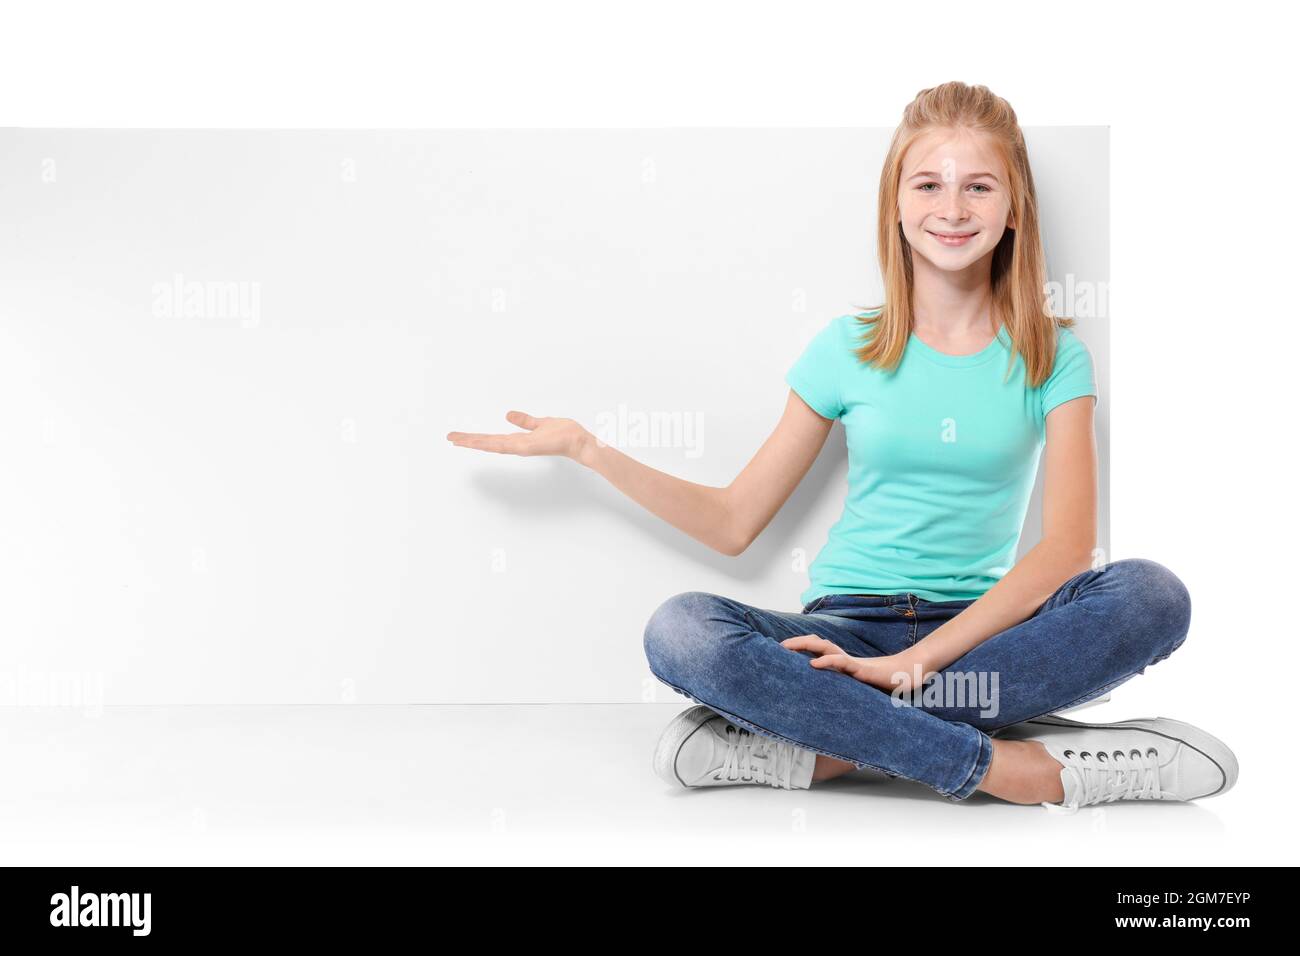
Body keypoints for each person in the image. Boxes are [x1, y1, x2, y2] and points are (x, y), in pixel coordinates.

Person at [446, 81, 1238, 811]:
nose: (953, 207)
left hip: (981, 642)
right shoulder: (846, 349)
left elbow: (1065, 548)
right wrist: (590, 450)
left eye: (978, 186)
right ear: (895, 206)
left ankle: (824, 748)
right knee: (680, 628)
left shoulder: (1053, 356)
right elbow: (732, 521)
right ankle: (1000, 767)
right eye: (928, 184)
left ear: (1014, 207)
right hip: (843, 635)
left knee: (1152, 595)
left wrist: (918, 666)